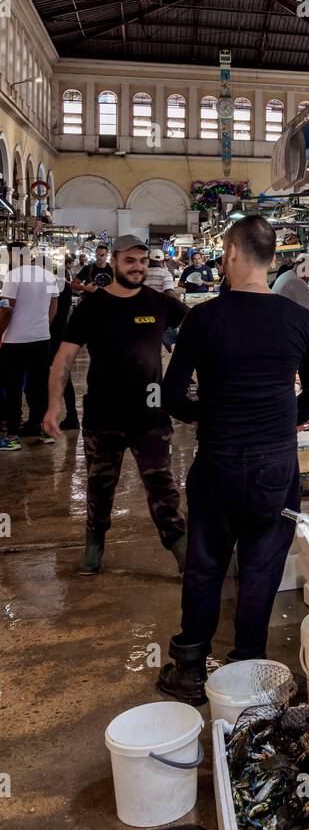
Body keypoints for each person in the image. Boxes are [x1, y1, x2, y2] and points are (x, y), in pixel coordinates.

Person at [159, 214, 309, 703]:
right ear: (272, 259)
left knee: (206, 561)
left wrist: (205, 412)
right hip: (276, 463)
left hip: (219, 458)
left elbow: (172, 395)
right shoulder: (297, 318)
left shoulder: (204, 318)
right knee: (262, 563)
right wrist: (281, 421)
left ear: (232, 253)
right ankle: (248, 667)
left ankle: (190, 666)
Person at [43, 234, 188, 575]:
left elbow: (201, 329)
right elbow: (63, 358)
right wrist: (53, 406)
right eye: (130, 261)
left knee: (162, 484)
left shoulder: (160, 303)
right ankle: (94, 541)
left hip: (151, 412)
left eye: (142, 261)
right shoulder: (93, 306)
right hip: (103, 413)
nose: (138, 267)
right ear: (115, 262)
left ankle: (180, 547)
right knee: (100, 483)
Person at [0, 251, 60, 451]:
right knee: (39, 386)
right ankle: (44, 431)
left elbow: (7, 310)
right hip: (42, 340)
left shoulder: (14, 276)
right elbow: (53, 309)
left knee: (13, 387)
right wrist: (42, 327)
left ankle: (13, 436)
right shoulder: (50, 277)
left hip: (14, 341)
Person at [48, 256, 79, 431]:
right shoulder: (65, 286)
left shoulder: (52, 287)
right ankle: (72, 415)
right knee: (64, 377)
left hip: (50, 335)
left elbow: (51, 312)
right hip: (61, 334)